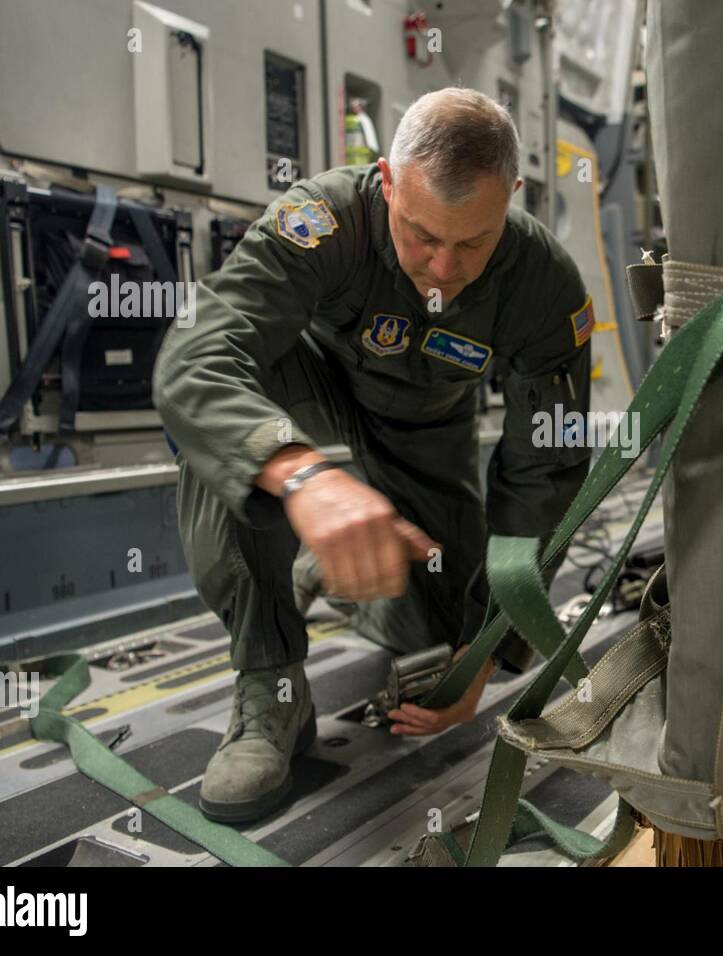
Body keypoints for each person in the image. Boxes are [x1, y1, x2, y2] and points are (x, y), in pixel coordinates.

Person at [152, 87, 593, 823]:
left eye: (472, 242)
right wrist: (303, 476)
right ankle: (271, 695)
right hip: (313, 388)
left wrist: (487, 645)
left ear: (513, 198)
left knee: (437, 641)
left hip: (428, 428)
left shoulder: (544, 284)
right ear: (386, 180)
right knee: (222, 430)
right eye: (421, 234)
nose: (443, 268)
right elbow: (196, 354)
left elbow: (544, 469)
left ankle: (335, 564)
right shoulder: (323, 219)